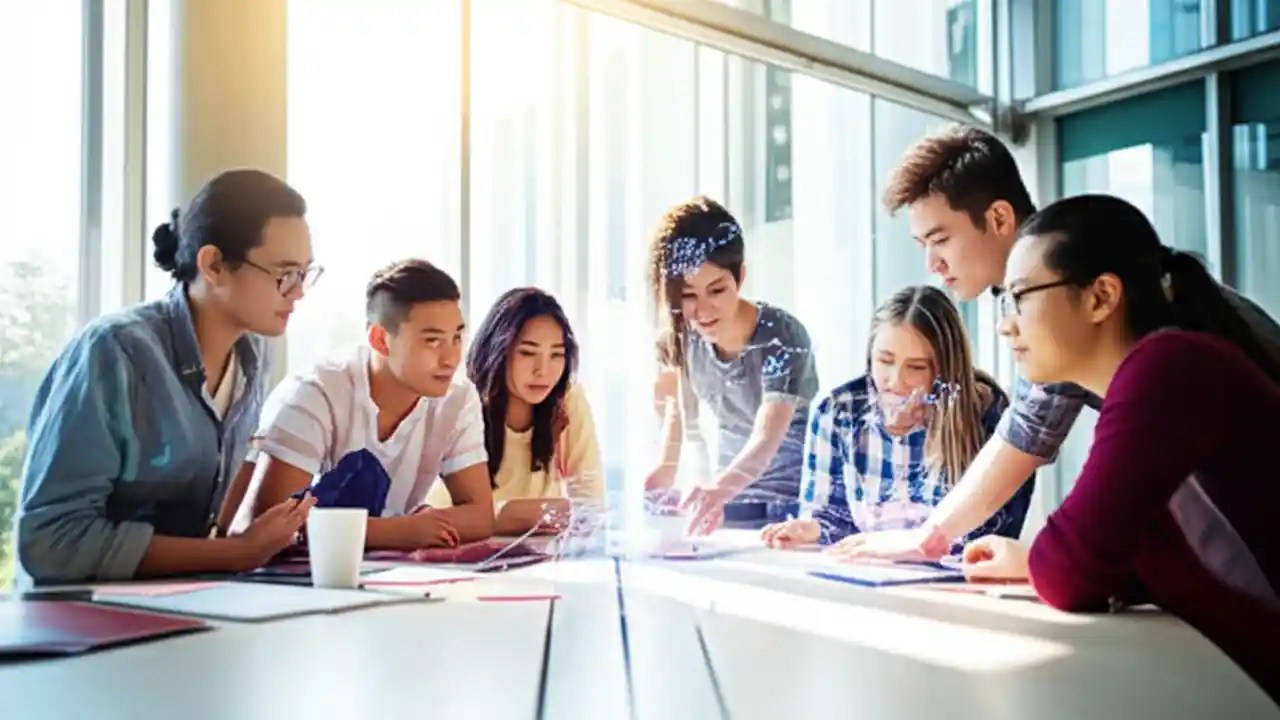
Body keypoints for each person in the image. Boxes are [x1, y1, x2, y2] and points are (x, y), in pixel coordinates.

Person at [843, 125, 1280, 559]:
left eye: (940, 240)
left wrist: (928, 538)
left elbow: (1025, 434)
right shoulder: (1059, 272)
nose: (932, 264)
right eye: (922, 244)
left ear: (998, 218)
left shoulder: (1059, 290)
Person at [960, 194, 1280, 702]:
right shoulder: (1161, 372)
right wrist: (1034, 558)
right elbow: (1132, 560)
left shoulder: (1168, 367)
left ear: (1101, 297)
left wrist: (1048, 558)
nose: (1006, 323)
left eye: (1020, 296)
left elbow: (1072, 570)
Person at [16, 169, 320, 584]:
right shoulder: (114, 351)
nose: (298, 292)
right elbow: (51, 542)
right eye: (284, 274)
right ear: (213, 265)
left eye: (304, 274)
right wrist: (234, 553)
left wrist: (249, 545)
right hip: (80, 620)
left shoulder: (253, 355)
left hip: (183, 603)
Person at [761, 286, 1032, 552]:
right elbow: (833, 517)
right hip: (871, 580)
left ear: (945, 369)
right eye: (885, 361)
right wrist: (813, 529)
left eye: (916, 367)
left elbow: (990, 532)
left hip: (953, 586)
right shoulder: (837, 413)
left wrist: (908, 545)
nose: (895, 381)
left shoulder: (986, 413)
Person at [246, 259, 494, 549]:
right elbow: (272, 524)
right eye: (432, 341)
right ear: (380, 339)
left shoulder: (457, 398)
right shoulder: (314, 393)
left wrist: (408, 529)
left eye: (456, 338)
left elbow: (480, 516)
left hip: (388, 574)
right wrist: (397, 532)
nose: (451, 358)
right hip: (294, 579)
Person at [642, 196, 820, 533]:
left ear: (741, 275)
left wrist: (718, 488)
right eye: (689, 294)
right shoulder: (680, 336)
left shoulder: (782, 336)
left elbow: (767, 436)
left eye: (717, 289)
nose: (703, 310)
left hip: (792, 510)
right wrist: (657, 481)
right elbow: (677, 423)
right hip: (728, 509)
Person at [424, 287, 604, 535]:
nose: (543, 370)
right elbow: (435, 517)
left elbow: (590, 506)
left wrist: (504, 515)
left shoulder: (568, 400)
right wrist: (506, 515)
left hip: (541, 557)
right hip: (463, 558)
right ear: (498, 351)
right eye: (528, 353)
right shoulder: (461, 405)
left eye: (557, 355)